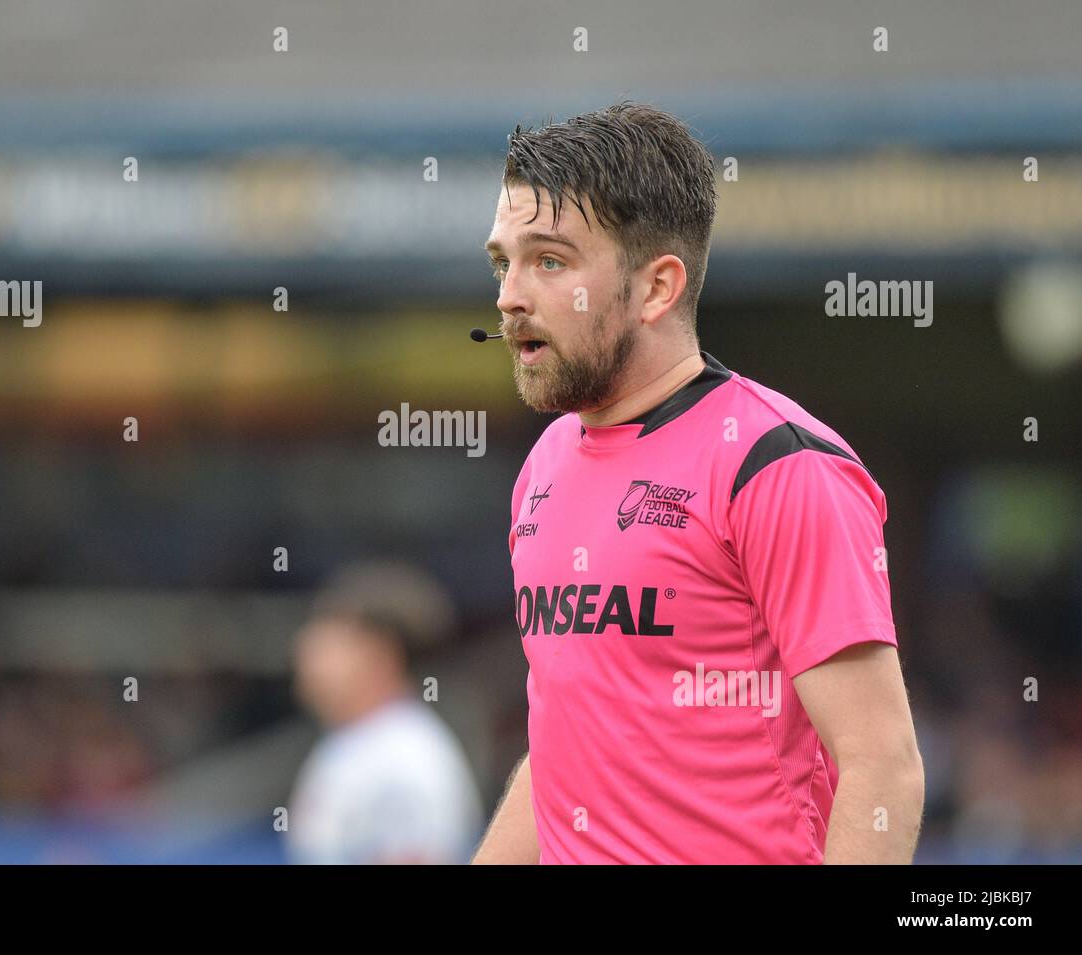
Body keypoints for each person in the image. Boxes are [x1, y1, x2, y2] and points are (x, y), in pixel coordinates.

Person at [473, 102, 924, 864]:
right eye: (502, 262)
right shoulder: (546, 462)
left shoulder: (777, 463)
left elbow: (883, 767)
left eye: (549, 260)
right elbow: (562, 754)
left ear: (657, 289)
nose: (509, 296)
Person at [286, 561, 484, 864]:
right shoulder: (354, 742)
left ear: (380, 653)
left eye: (333, 641)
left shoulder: (406, 756)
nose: (308, 653)